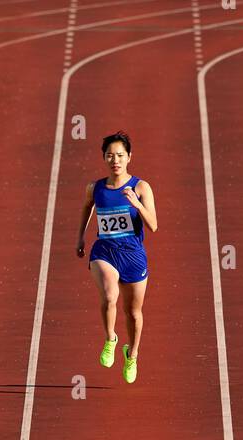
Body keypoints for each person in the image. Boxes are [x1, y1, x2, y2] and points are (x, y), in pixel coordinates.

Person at [76, 131, 158, 384]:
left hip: (133, 256)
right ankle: (111, 338)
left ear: (129, 157)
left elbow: (153, 225)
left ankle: (131, 355)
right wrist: (81, 237)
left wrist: (137, 204)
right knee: (109, 295)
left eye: (120, 155)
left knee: (133, 313)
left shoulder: (141, 187)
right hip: (105, 251)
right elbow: (87, 207)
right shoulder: (96, 187)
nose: (115, 160)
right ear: (104, 158)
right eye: (110, 155)